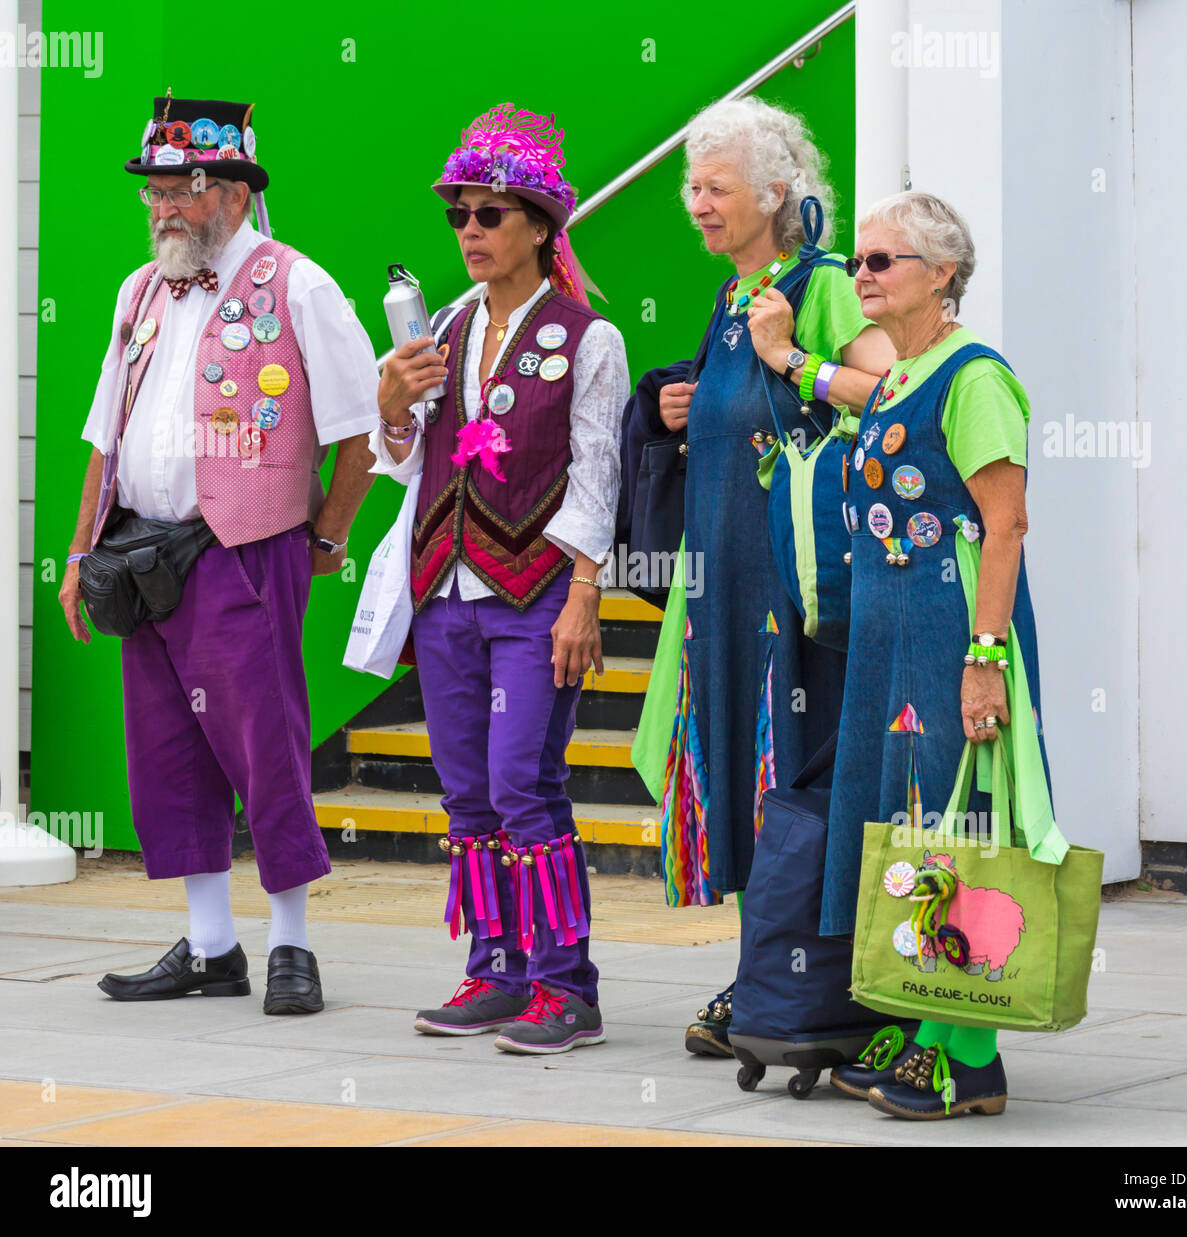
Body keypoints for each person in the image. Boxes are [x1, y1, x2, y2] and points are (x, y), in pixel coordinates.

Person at [63, 94, 381, 1014]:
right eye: (153, 192)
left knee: (264, 743)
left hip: (245, 549)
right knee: (167, 748)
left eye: (181, 190)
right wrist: (81, 551)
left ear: (235, 191)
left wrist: (328, 533)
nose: (162, 208)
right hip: (140, 556)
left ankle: (291, 943)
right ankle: (211, 946)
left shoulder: (301, 285)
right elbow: (104, 436)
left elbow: (361, 430)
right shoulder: (140, 290)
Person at [366, 103, 628, 1054]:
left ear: (539, 226)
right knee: (467, 789)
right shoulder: (439, 324)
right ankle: (496, 965)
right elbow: (403, 461)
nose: (469, 231)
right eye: (458, 216)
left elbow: (598, 471)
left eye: (488, 213)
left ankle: (567, 985)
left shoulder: (589, 338)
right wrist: (392, 408)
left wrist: (585, 598)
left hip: (537, 593)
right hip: (445, 588)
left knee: (525, 781)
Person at [658, 98, 894, 1057]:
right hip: (723, 587)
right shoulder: (728, 296)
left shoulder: (824, 285)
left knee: (790, 770)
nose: (698, 205)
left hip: (795, 589)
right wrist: (685, 407)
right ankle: (768, 971)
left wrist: (790, 354)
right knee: (745, 775)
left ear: (777, 193)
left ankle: (817, 977)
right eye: (692, 188)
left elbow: (888, 388)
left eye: (715, 187)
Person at [823, 191, 1053, 1117]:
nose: (862, 275)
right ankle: (922, 1017)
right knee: (906, 818)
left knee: (961, 819)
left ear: (943, 274)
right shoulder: (896, 376)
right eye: (857, 262)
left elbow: (1008, 524)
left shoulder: (973, 377)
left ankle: (972, 1052)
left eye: (883, 261)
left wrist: (985, 656)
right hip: (889, 634)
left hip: (954, 630)